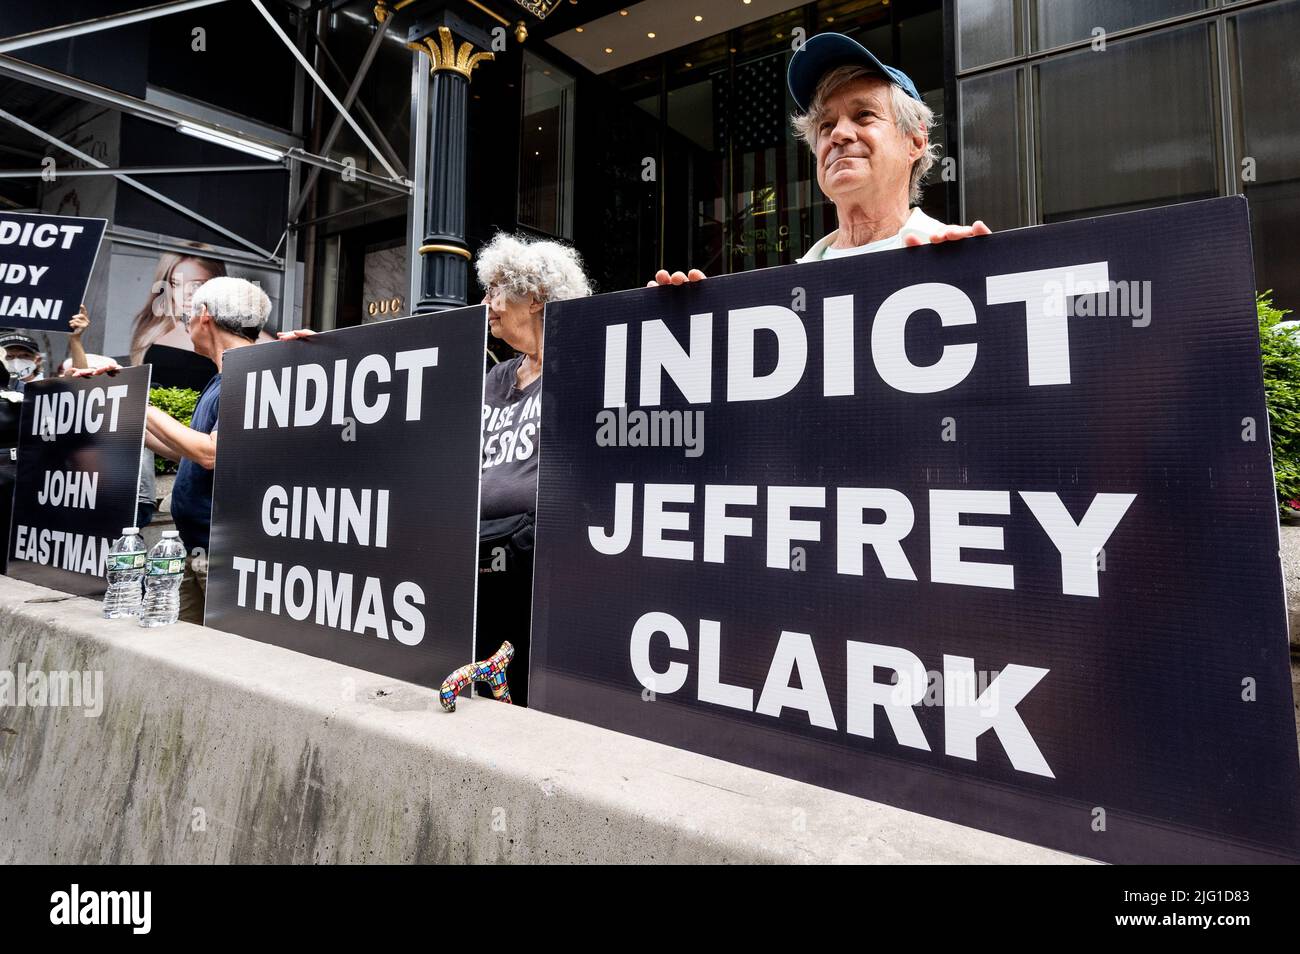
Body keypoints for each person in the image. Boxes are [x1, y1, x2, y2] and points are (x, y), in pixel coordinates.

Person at [648, 32, 989, 286]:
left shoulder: (965, 258)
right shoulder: (782, 292)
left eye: (864, 115)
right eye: (826, 125)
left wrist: (984, 275)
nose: (839, 134)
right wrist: (675, 323)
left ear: (915, 141)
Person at [80, 277, 272, 623]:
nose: (186, 325)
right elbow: (188, 454)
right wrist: (121, 397)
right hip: (191, 547)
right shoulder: (221, 377)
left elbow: (211, 454)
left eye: (187, 316)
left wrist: (144, 406)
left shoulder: (250, 374)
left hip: (221, 553)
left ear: (205, 315)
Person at [475, 232, 592, 706]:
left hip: (538, 564)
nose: (487, 303)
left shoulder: (583, 366)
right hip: (479, 558)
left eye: (498, 290)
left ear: (538, 297)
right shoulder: (496, 377)